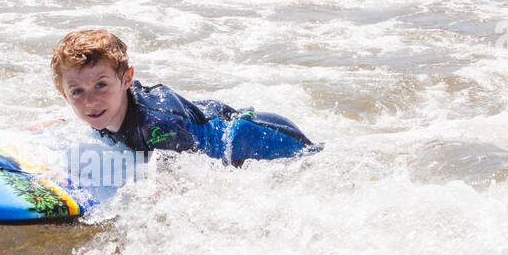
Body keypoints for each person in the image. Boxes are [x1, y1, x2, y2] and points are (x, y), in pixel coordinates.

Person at [47, 29, 320, 165]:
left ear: (126, 79)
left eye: (101, 85)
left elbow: (180, 188)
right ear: (64, 94)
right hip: (218, 124)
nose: (90, 101)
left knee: (317, 164)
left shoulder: (159, 126)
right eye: (77, 92)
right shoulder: (106, 111)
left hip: (259, 141)